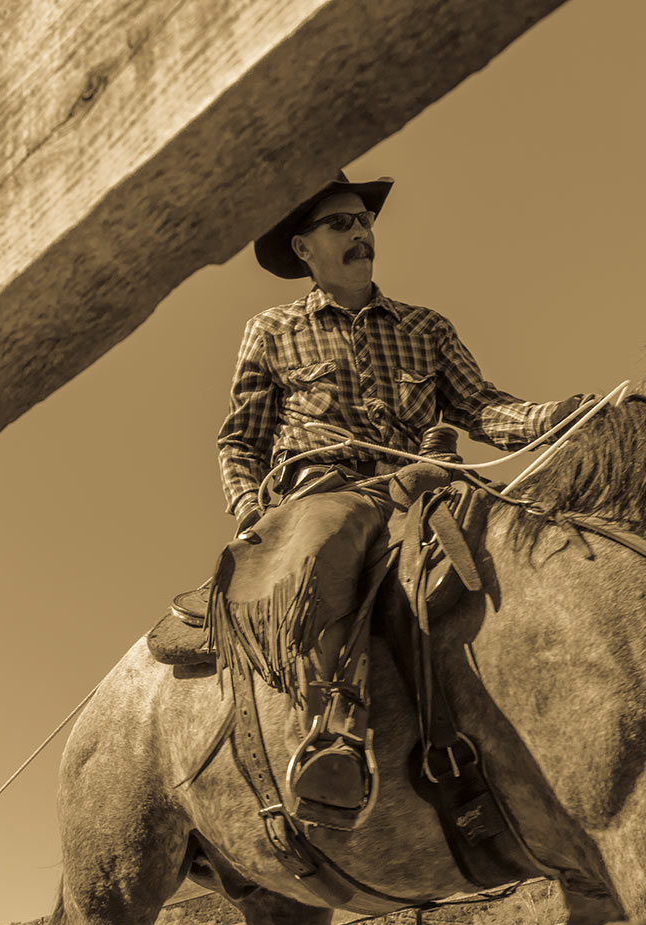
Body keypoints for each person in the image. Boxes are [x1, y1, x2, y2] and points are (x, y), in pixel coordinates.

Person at [208, 172, 588, 827]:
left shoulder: (425, 328)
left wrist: (561, 416)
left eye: (363, 221)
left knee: (534, 530)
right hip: (327, 491)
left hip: (425, 485)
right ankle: (333, 726)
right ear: (304, 249)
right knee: (334, 533)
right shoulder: (270, 330)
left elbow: (481, 408)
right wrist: (251, 517)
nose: (361, 232)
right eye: (341, 224)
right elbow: (240, 439)